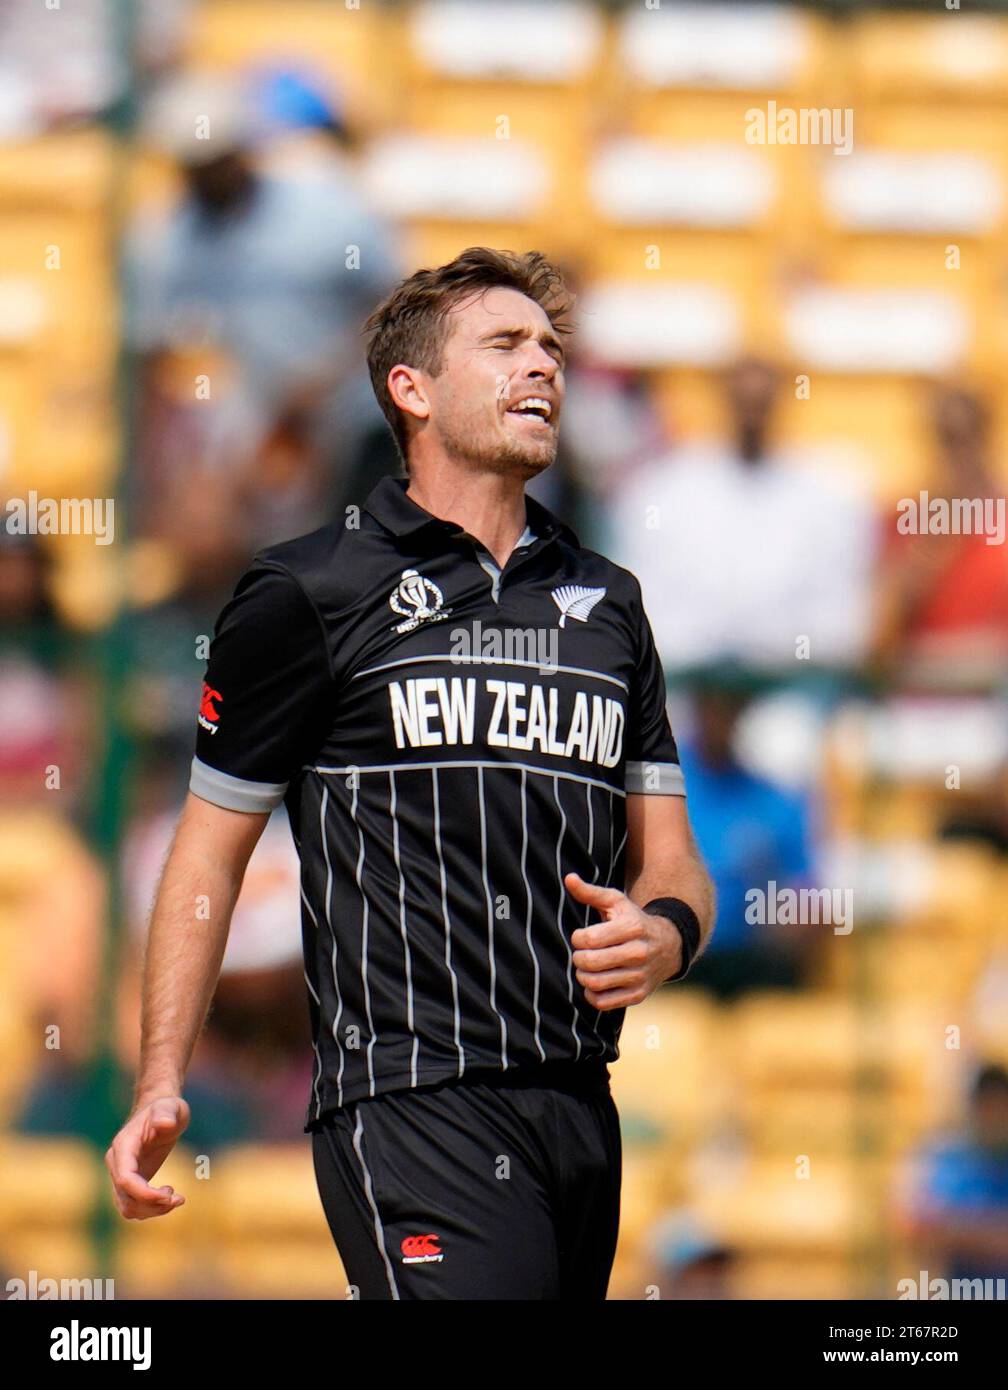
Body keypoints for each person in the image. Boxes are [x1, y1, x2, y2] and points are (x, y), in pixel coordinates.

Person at [105, 247, 714, 1301]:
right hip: (408, 1095)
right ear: (412, 389)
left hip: (578, 1105)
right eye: (507, 345)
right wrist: (162, 1071)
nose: (544, 368)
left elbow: (677, 865)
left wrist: (663, 934)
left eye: (552, 349)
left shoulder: (609, 604)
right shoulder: (309, 590)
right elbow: (208, 849)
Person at [607, 356, 878, 677]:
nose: (752, 414)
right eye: (743, 401)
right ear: (724, 399)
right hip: (680, 685)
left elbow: (842, 623)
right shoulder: (660, 489)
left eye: (761, 402)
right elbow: (640, 607)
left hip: (787, 688)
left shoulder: (831, 491)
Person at [902, 1063, 1008, 1285]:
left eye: (1000, 1107)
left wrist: (958, 1232)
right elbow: (917, 1231)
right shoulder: (951, 1164)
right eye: (987, 1107)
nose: (995, 1116)